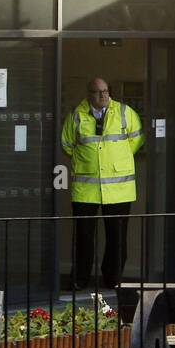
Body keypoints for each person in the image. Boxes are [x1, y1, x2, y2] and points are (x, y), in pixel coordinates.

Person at [61, 78, 145, 291]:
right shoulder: (76, 116)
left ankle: (113, 279)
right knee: (83, 238)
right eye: (98, 92)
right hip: (86, 189)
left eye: (106, 91)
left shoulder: (125, 113)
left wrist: (116, 160)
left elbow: (136, 140)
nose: (103, 96)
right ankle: (80, 279)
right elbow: (67, 145)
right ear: (89, 94)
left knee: (117, 238)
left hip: (119, 188)